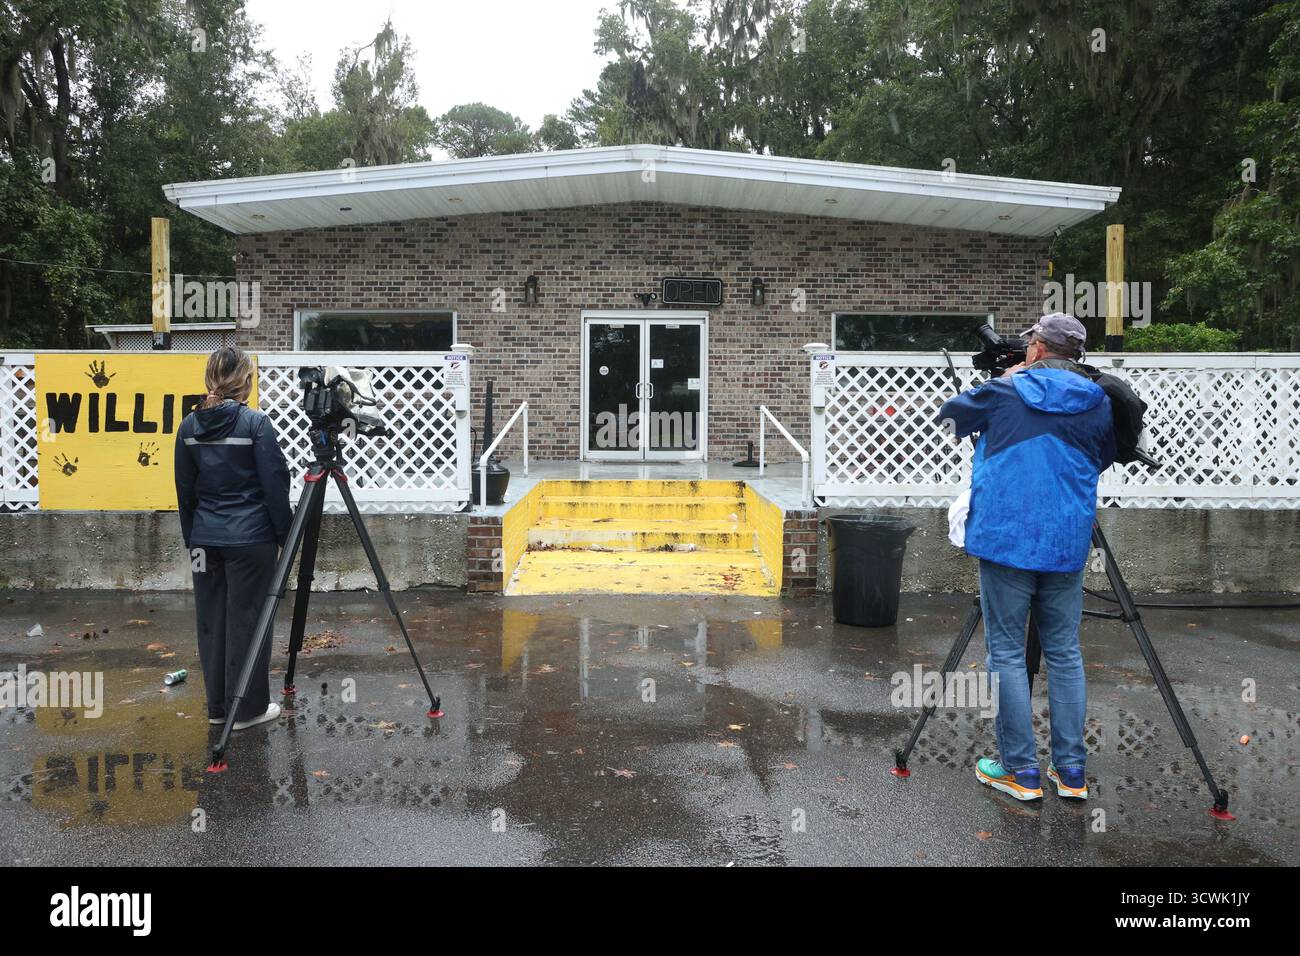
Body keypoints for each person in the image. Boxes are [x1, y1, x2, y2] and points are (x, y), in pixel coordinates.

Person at [938, 313, 1115, 802]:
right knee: (1064, 653)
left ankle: (1020, 770)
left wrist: (1006, 378)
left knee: (1007, 653)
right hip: (1066, 539)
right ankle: (1072, 772)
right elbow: (1100, 457)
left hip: (1007, 537)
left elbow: (949, 418)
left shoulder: (1005, 391)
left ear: (1036, 347)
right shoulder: (1098, 400)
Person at [175, 347, 291, 731]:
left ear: (210, 378)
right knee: (248, 622)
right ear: (246, 380)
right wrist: (285, 535)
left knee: (211, 621)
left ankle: (218, 708)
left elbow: (185, 492)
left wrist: (193, 540)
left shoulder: (188, 427)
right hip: (251, 540)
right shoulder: (256, 424)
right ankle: (248, 711)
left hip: (204, 541)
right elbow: (275, 485)